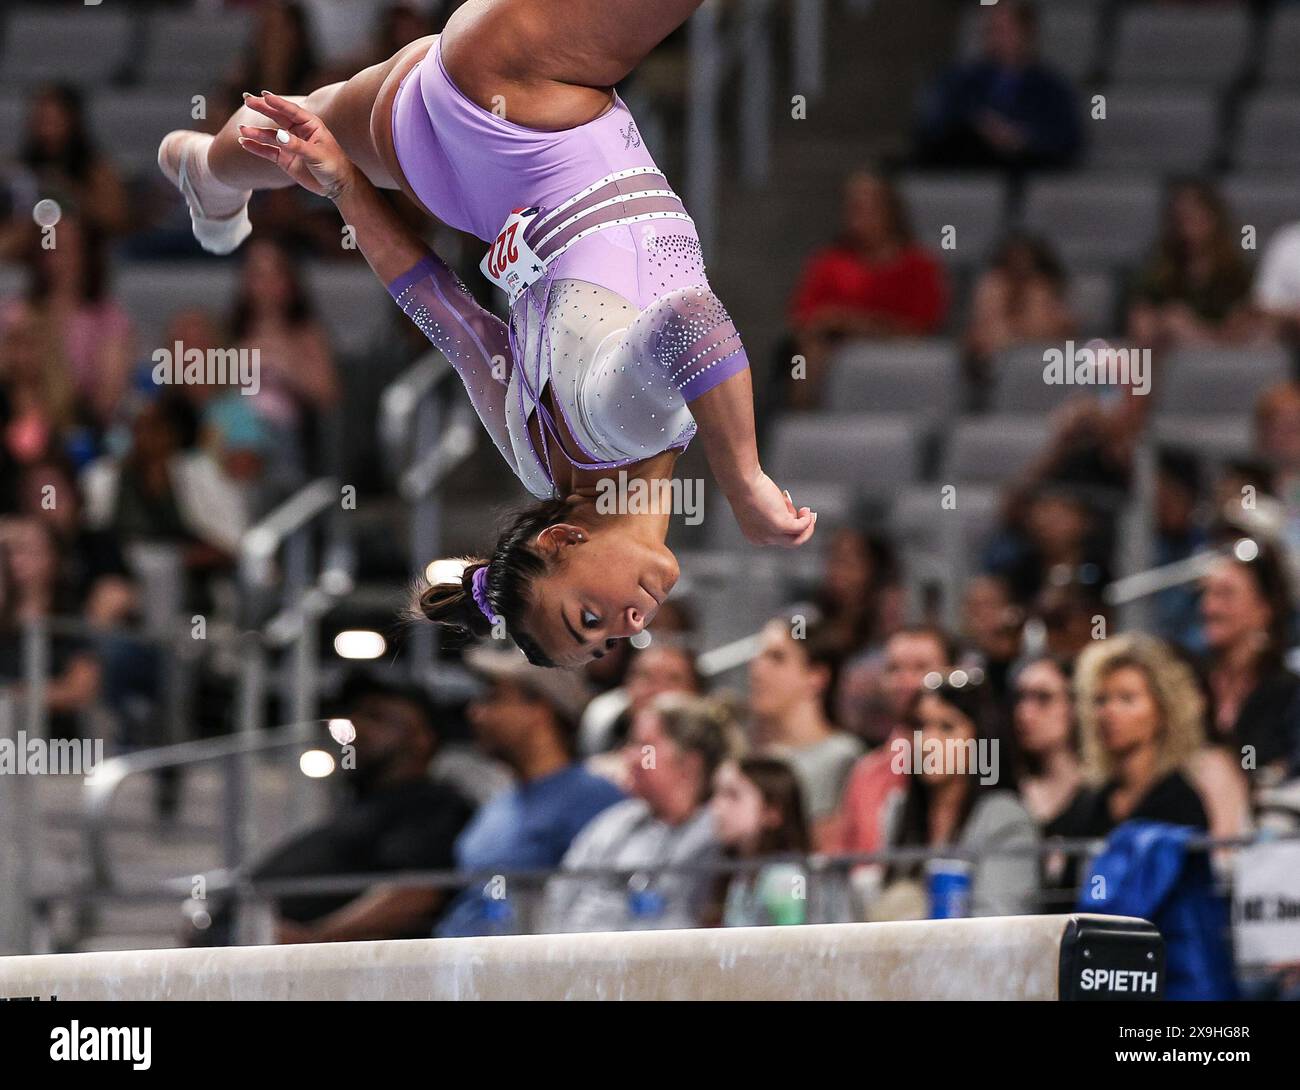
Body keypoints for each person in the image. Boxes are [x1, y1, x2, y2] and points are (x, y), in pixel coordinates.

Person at [159, 0, 819, 670]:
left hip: (529, 94)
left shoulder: (628, 424)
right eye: (609, 642)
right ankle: (206, 170)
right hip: (450, 166)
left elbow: (692, 321)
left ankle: (212, 179)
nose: (629, 624)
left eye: (587, 618)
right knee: (302, 120)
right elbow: (445, 311)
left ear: (560, 542)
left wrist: (745, 482)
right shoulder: (536, 458)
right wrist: (345, 187)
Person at [200, 673, 474, 945]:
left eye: (376, 717)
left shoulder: (432, 803)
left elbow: (416, 892)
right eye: (355, 715)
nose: (357, 727)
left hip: (301, 964)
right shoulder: (364, 804)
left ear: (422, 739)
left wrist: (315, 939)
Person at [437, 646, 625, 936]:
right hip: (457, 970)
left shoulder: (594, 799)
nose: (476, 713)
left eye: (493, 698)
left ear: (539, 710)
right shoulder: (497, 803)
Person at [538, 692, 735, 933]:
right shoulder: (613, 823)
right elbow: (560, 898)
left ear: (689, 762)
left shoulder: (721, 833)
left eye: (643, 746)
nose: (628, 756)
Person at [875, 677, 1039, 919]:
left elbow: (1001, 922)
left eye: (947, 728)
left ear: (981, 738)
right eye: (920, 727)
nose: (928, 743)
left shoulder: (1004, 818)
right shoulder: (897, 810)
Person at [786, 170, 947, 409]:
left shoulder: (920, 264)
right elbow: (805, 320)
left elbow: (924, 328)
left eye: (866, 205)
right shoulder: (827, 263)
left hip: (902, 358)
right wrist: (836, 323)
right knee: (807, 352)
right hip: (835, 356)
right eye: (851, 205)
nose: (855, 213)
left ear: (890, 210)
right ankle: (800, 415)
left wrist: (860, 324)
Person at [1070, 635, 1212, 838]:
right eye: (1101, 700)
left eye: (1127, 699)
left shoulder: (1181, 802)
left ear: (1163, 710)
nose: (1109, 712)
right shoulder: (1089, 802)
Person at [914, 0, 1082, 172]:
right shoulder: (960, 82)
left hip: (1024, 169)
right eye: (990, 30)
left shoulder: (1053, 89)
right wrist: (979, 127)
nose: (995, 38)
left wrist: (1021, 138)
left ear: (1027, 33)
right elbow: (933, 129)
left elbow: (1067, 140)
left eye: (1004, 30)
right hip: (969, 166)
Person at [834, 626, 956, 854]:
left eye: (921, 668)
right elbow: (846, 863)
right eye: (894, 669)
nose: (906, 681)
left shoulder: (974, 764)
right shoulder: (865, 774)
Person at [748, 617, 861, 847]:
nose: (757, 669)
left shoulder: (843, 757)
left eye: (777, 658)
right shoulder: (755, 755)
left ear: (816, 676)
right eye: (758, 656)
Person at [1200, 544, 1300, 790]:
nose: (1208, 608)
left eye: (1225, 594)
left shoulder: (1288, 693)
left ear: (1264, 609)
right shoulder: (1191, 684)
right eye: (1207, 594)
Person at [1127, 180, 1258, 352]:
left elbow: (1246, 331)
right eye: (1180, 220)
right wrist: (1163, 325)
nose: (1187, 229)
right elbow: (1141, 327)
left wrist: (1192, 331)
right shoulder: (1158, 271)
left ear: (1214, 219)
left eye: (1195, 219)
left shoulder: (1238, 273)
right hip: (1172, 366)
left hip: (1228, 366)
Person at [1011, 655, 1087, 907]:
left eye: (1043, 698)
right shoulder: (1007, 789)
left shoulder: (1100, 795)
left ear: (1076, 705)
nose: (1025, 712)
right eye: (1020, 698)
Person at [709, 756, 811, 927]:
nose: (717, 808)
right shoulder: (740, 877)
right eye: (716, 793)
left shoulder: (786, 877)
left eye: (732, 795)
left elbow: (792, 946)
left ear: (772, 811)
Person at [963, 233, 1076, 384]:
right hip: (993, 369)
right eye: (1014, 260)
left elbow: (1060, 331)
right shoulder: (991, 287)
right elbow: (981, 334)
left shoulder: (1044, 289)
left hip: (1043, 367)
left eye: (1025, 261)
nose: (1020, 266)